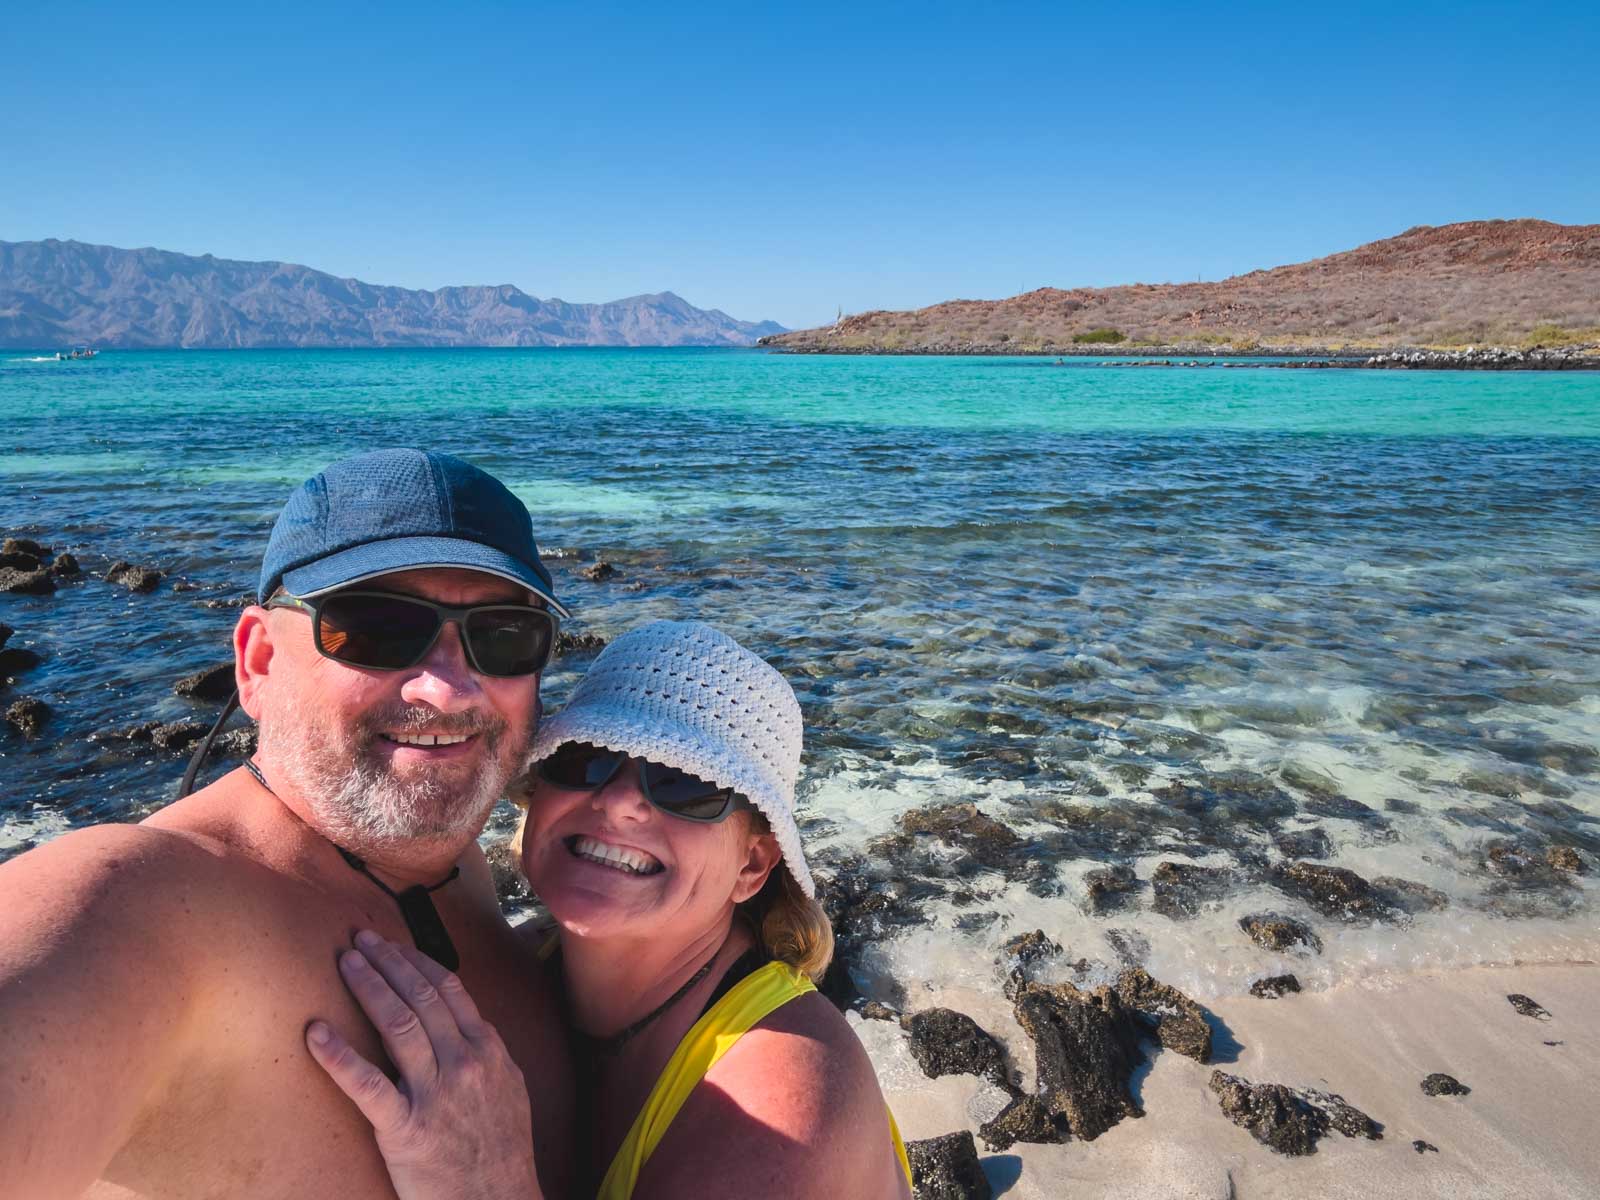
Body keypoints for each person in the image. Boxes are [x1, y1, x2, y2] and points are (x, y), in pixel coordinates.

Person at [0, 448, 574, 1200]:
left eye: (503, 635)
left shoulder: (450, 863)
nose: (446, 689)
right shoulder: (129, 909)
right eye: (375, 628)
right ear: (259, 661)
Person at [310, 620, 914, 1199]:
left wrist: (484, 1182)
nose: (621, 800)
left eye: (685, 781)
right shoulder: (521, 966)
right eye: (586, 757)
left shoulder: (786, 1094)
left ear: (753, 866)